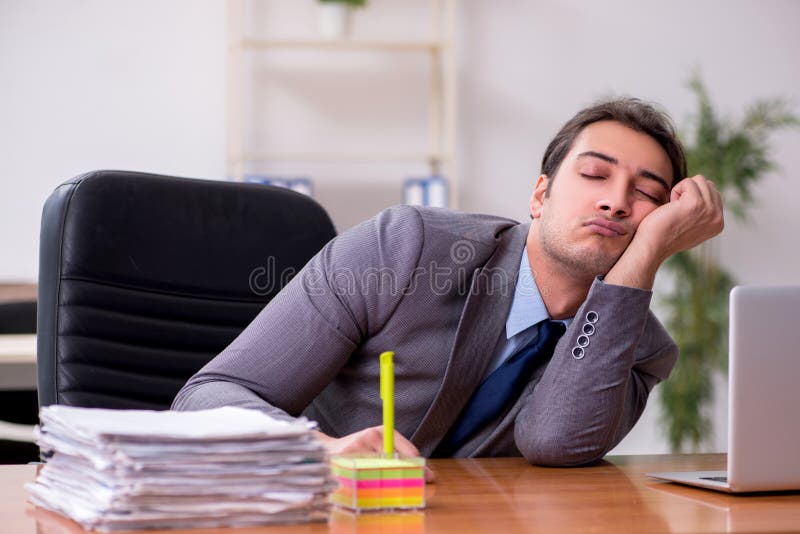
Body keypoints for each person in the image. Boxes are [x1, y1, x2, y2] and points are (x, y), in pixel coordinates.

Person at [172, 98, 724, 470]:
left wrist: (643, 255)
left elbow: (554, 442)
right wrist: (323, 452)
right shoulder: (406, 248)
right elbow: (205, 398)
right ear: (539, 196)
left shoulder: (641, 350)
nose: (616, 201)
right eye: (595, 175)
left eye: (647, 194)